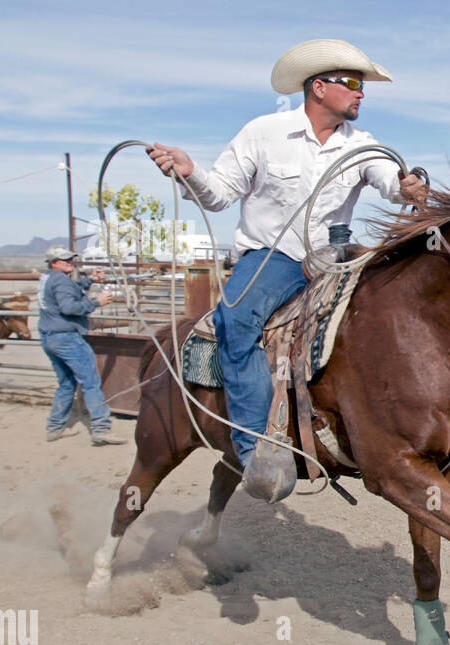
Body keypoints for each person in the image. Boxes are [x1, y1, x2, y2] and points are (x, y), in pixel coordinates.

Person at [146, 39, 428, 500]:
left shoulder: (364, 146)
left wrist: (410, 186)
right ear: (319, 87)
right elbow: (217, 195)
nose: (362, 94)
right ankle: (255, 445)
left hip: (335, 258)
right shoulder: (263, 132)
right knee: (237, 320)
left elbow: (392, 186)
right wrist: (188, 170)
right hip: (270, 259)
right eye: (353, 84)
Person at [37, 246, 126, 445]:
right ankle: (101, 428)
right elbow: (69, 307)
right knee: (91, 382)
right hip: (67, 338)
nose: (70, 262)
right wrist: (97, 302)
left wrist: (90, 280)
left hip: (49, 337)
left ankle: (54, 427)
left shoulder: (48, 278)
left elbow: (70, 290)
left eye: (70, 259)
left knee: (67, 383)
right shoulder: (60, 280)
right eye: (64, 260)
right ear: (54, 263)